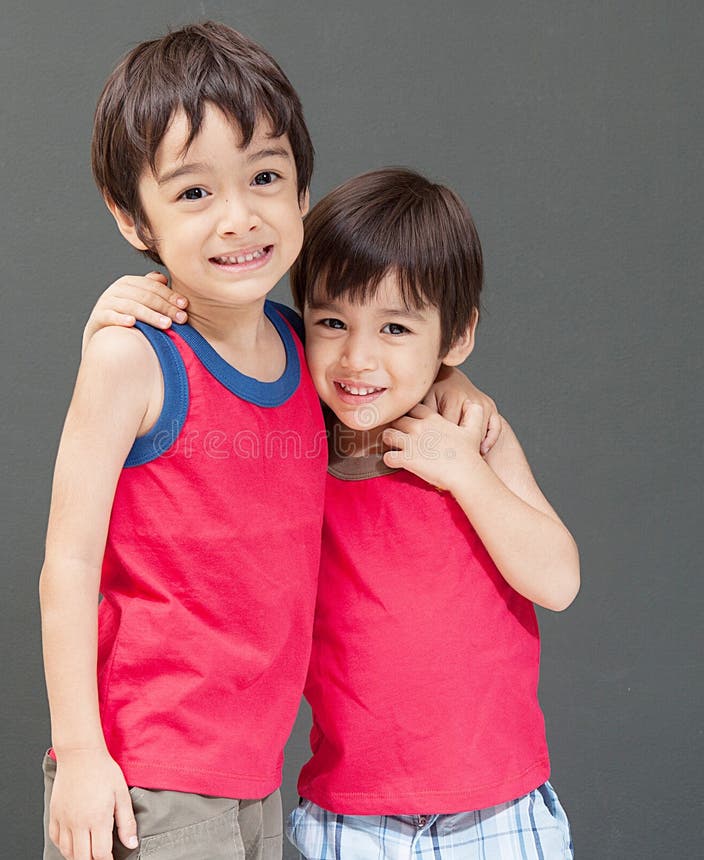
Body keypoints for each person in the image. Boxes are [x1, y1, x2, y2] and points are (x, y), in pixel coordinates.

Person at [99, 168, 580, 858]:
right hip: (354, 814)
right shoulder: (294, 430)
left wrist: (465, 470)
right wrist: (129, 303)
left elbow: (558, 581)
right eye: (331, 322)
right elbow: (218, 339)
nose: (358, 357)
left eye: (394, 327)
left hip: (497, 807)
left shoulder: (469, 434)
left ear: (456, 337)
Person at [39, 22, 325, 860]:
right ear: (134, 217)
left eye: (266, 177)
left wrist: (466, 394)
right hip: (147, 771)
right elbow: (67, 567)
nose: (240, 217)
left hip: (258, 764)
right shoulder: (133, 355)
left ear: (303, 192)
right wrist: (83, 755)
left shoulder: (306, 347)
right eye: (194, 193)